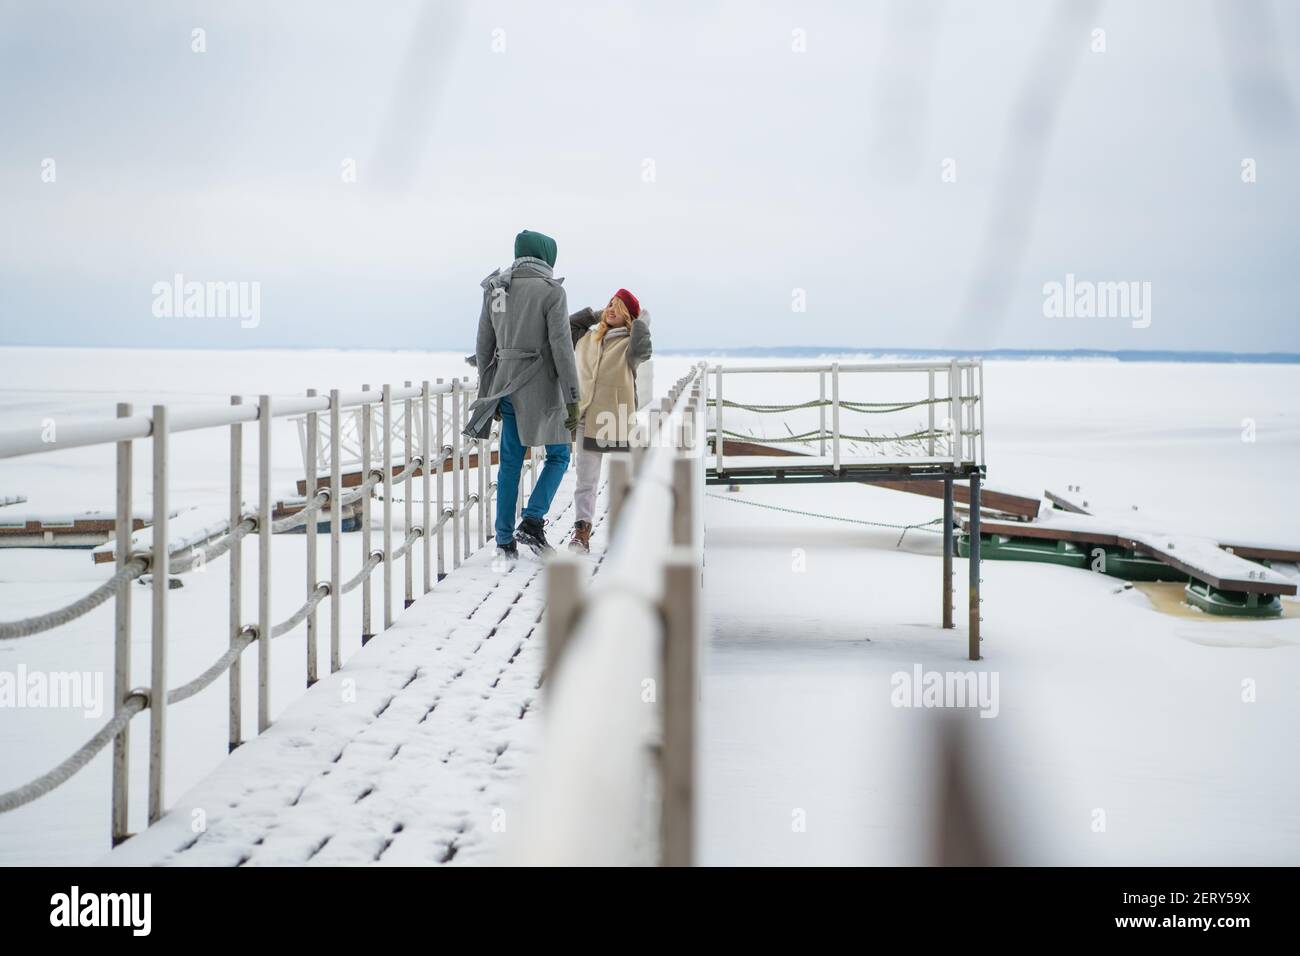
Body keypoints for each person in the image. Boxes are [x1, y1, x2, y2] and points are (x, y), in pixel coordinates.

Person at [464, 229, 581, 559]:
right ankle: (531, 521)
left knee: (510, 464)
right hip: (543, 390)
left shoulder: (496, 288)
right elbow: (562, 349)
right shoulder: (551, 291)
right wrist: (573, 397)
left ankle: (504, 541)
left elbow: (483, 348)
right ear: (546, 255)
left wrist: (490, 391)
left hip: (507, 387)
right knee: (558, 455)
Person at [565, 288, 653, 553]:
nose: (611, 310)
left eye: (618, 307)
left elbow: (643, 351)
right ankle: (582, 531)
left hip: (613, 417)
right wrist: (596, 314)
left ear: (628, 316)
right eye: (609, 305)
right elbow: (567, 325)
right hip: (585, 415)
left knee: (623, 477)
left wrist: (640, 322)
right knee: (586, 478)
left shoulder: (630, 343)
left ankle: (631, 530)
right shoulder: (588, 337)